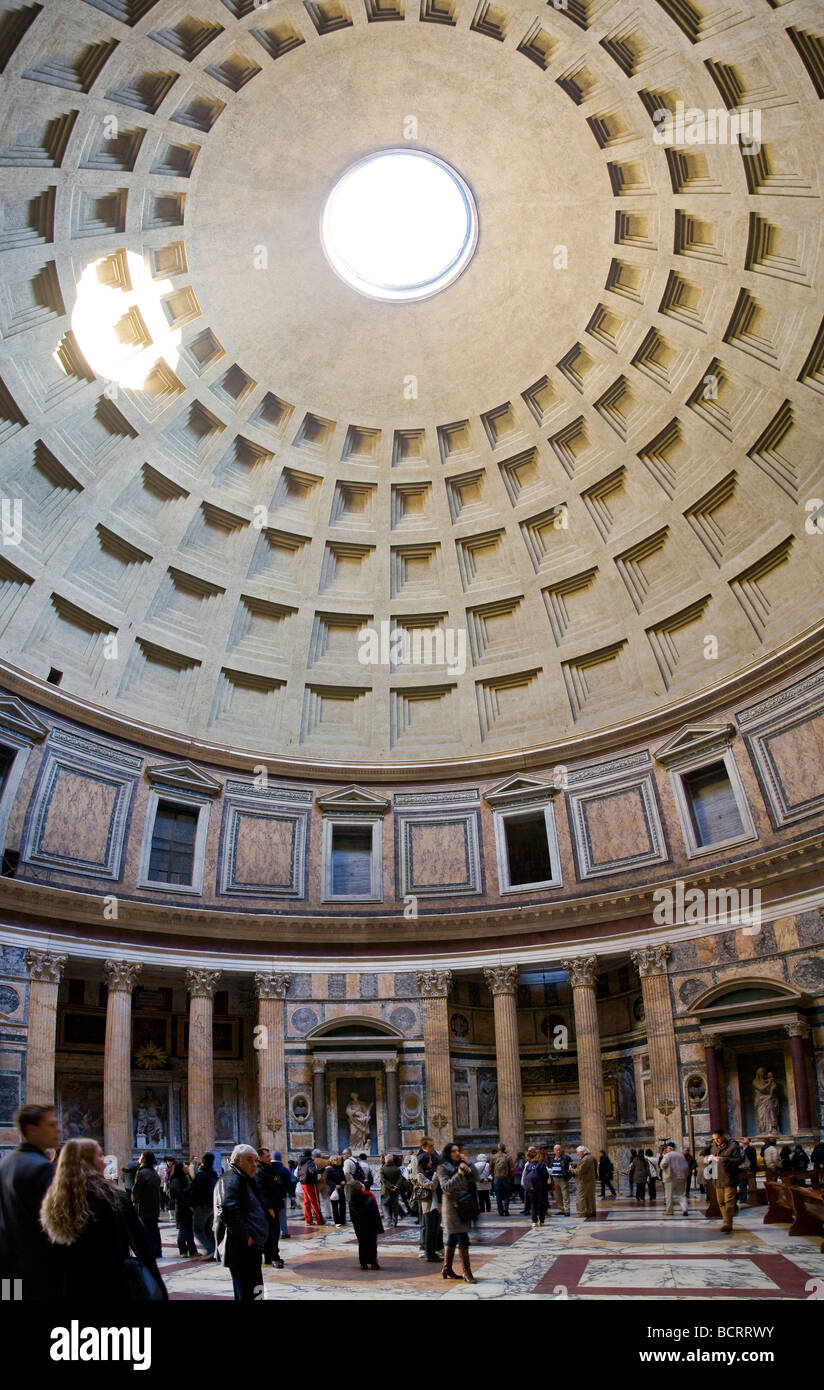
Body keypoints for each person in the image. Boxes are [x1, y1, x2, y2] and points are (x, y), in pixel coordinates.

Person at [40, 1138, 167, 1300]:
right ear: (86, 1161)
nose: (105, 1162)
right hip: (111, 1283)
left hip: (71, 1285)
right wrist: (159, 1287)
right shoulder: (113, 1198)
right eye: (100, 1156)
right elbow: (141, 1246)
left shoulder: (53, 1200)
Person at [0, 1102, 61, 1298]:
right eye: (51, 1125)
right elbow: (56, 1226)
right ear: (32, 1129)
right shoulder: (42, 1168)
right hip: (37, 1271)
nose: (58, 1130)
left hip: (8, 1268)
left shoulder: (7, 1163)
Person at [214, 1143, 269, 1300]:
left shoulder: (242, 1178)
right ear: (237, 1161)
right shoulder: (231, 1179)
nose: (255, 1165)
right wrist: (246, 1236)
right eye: (249, 1160)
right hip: (240, 1246)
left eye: (256, 1160)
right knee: (247, 1289)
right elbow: (226, 1207)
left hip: (250, 1245)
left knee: (255, 1286)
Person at [436, 1141, 478, 1283]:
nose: (457, 1153)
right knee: (463, 1238)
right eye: (453, 1151)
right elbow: (446, 1187)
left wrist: (470, 1165)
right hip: (452, 1207)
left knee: (453, 1238)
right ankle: (467, 1272)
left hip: (464, 1205)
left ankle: (447, 1268)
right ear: (448, 1153)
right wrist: (459, 1174)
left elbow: (476, 1178)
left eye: (457, 1151)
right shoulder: (442, 1168)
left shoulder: (462, 1164)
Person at [255, 1148, 285, 1268]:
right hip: (268, 1207)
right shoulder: (260, 1171)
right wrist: (269, 1207)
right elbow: (261, 1191)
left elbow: (278, 1181)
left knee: (274, 1231)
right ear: (260, 1157)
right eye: (267, 1156)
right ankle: (274, 1257)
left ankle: (270, 1256)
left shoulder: (270, 1168)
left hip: (275, 1203)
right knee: (272, 1232)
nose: (269, 1158)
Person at [709, 1129, 743, 1235]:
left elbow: (739, 1160)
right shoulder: (713, 1147)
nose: (716, 1141)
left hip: (729, 1177)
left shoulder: (733, 1147)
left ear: (723, 1136)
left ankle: (727, 1223)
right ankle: (727, 1219)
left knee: (729, 1201)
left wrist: (725, 1159)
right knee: (721, 1202)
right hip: (717, 1178)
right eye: (714, 1139)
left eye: (718, 1138)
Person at [131, 1149, 162, 1261]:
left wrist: (133, 1202)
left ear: (143, 1159)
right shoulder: (154, 1172)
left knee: (145, 1230)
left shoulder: (141, 1172)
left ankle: (149, 1252)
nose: (139, 1158)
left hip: (143, 1206)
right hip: (153, 1205)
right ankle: (157, 1250)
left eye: (140, 1156)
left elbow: (136, 1191)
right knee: (154, 1229)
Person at [189, 1150, 218, 1258]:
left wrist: (192, 1204)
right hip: (211, 1205)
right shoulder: (214, 1174)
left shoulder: (201, 1175)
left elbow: (195, 1191)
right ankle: (215, 1249)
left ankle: (210, 1249)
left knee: (197, 1229)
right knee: (207, 1228)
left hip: (203, 1205)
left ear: (203, 1162)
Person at [348, 1179, 383, 1270]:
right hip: (370, 1226)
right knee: (372, 1244)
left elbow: (352, 1216)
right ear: (360, 1188)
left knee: (362, 1244)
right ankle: (373, 1263)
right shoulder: (369, 1198)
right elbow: (375, 1214)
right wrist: (378, 1226)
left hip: (359, 1226)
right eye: (361, 1184)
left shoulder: (351, 1201)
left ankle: (363, 1263)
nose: (363, 1184)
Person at [169, 1160, 197, 1256]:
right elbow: (179, 1194)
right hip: (181, 1207)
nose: (187, 1166)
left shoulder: (187, 1177)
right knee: (183, 1229)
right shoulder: (176, 1180)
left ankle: (193, 1251)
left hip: (188, 1207)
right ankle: (183, 1250)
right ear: (181, 1168)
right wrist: (189, 1204)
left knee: (189, 1230)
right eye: (185, 1165)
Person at [660, 1142, 690, 1217]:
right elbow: (686, 1167)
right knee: (682, 1195)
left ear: (668, 1148)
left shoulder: (667, 1155)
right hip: (681, 1177)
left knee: (669, 1195)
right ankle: (684, 1209)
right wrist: (685, 1176)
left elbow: (662, 1165)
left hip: (670, 1178)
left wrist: (664, 1169)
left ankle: (669, 1211)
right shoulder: (680, 1155)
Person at [523, 1145, 550, 1226]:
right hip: (540, 1188)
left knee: (533, 1204)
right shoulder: (541, 1165)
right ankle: (541, 1220)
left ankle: (534, 1221)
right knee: (542, 1203)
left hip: (531, 1188)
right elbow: (546, 1176)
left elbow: (525, 1176)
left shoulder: (528, 1165)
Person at [296, 1149, 323, 1226]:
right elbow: (314, 1172)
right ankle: (320, 1221)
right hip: (311, 1183)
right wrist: (323, 1169)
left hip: (303, 1184)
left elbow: (297, 1173)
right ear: (310, 1154)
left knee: (307, 1202)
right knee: (315, 1202)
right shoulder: (310, 1161)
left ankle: (308, 1220)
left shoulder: (300, 1162)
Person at [270, 1150, 294, 1239]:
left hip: (269, 1196)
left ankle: (271, 1232)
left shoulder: (267, 1168)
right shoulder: (284, 1170)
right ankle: (283, 1232)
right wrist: (292, 1195)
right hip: (281, 1196)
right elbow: (289, 1184)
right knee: (282, 1215)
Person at [379, 1152, 403, 1227]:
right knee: (394, 1206)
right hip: (395, 1190)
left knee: (385, 1205)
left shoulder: (382, 1169)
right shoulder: (397, 1169)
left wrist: (390, 1186)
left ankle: (388, 1220)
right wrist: (396, 1186)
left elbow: (383, 1180)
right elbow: (400, 1178)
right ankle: (395, 1222)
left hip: (386, 1190)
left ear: (386, 1160)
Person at [574, 1145, 597, 1219]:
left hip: (584, 1181)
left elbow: (580, 1171)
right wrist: (576, 1165)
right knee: (589, 1196)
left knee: (580, 1196)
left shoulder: (586, 1159)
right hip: (589, 1180)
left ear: (582, 1152)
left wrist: (571, 1169)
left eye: (578, 1152)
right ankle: (590, 1211)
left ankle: (581, 1212)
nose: (577, 1154)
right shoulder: (589, 1157)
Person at [549, 1144, 572, 1216]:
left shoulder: (566, 1158)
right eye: (556, 1150)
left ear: (562, 1150)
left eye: (559, 1150)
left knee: (565, 1195)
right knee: (557, 1195)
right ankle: (561, 1209)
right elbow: (550, 1166)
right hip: (555, 1179)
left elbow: (571, 1166)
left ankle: (567, 1210)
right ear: (554, 1151)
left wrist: (569, 1174)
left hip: (563, 1178)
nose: (558, 1151)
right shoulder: (552, 1158)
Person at [325, 1153, 347, 1228]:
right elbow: (327, 1180)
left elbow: (344, 1178)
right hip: (333, 1190)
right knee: (335, 1207)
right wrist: (334, 1185)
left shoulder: (340, 1169)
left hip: (341, 1189)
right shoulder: (330, 1169)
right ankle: (337, 1221)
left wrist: (344, 1181)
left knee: (343, 1205)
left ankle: (343, 1220)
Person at [492, 1144, 513, 1216]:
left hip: (497, 1178)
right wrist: (509, 1176)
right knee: (507, 1195)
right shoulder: (508, 1157)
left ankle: (500, 1211)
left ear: (498, 1149)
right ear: (504, 1149)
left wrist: (494, 1175)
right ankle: (506, 1209)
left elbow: (490, 1168)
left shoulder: (493, 1157)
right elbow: (511, 1168)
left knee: (498, 1195)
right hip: (506, 1178)